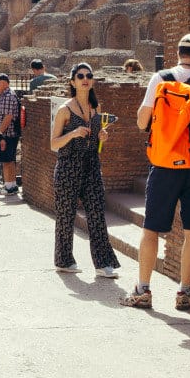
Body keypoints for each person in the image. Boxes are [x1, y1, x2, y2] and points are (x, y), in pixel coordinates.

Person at [127, 33, 190, 311]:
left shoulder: (160, 78)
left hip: (163, 164)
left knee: (151, 230)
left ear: (178, 53)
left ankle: (143, 290)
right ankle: (184, 292)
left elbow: (141, 122)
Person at [49, 64, 120, 277]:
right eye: (80, 76)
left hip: (91, 166)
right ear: (72, 82)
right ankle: (64, 260)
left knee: (97, 212)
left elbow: (95, 141)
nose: (85, 79)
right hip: (68, 166)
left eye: (89, 75)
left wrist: (102, 138)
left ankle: (102, 264)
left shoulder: (95, 108)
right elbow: (53, 144)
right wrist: (73, 134)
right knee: (66, 215)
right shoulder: (65, 109)